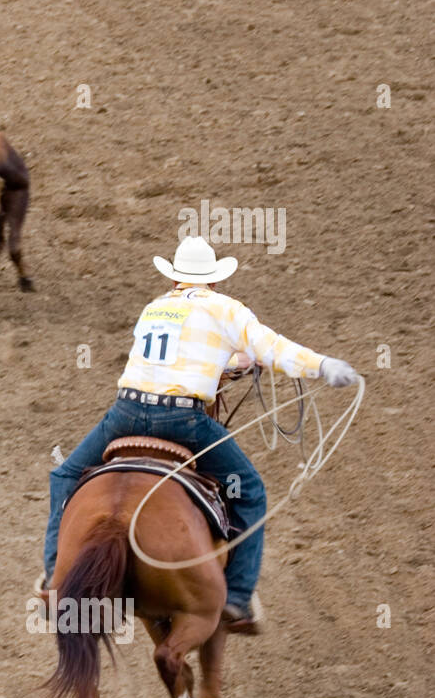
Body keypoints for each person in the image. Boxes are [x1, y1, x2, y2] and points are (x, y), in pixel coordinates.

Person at [40, 236, 360, 633]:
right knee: (250, 488)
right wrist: (323, 365)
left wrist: (227, 363)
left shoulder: (155, 309)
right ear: (214, 281)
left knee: (65, 476)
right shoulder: (226, 309)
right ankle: (238, 598)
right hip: (183, 421)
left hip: (124, 413)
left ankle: (56, 581)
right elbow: (272, 347)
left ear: (175, 277)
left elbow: (176, 358)